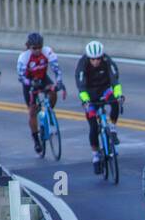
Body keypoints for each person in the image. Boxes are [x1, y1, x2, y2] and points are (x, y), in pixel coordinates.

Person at [75, 39, 123, 171]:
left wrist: (119, 95)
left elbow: (115, 81)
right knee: (93, 127)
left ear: (102, 56)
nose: (96, 61)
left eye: (98, 59)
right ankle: (95, 155)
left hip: (104, 88)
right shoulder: (82, 63)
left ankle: (112, 129)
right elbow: (81, 86)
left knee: (114, 102)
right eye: (93, 59)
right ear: (88, 58)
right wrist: (85, 100)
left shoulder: (107, 61)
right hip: (89, 93)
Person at [18, 32, 66, 153]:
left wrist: (59, 82)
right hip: (29, 82)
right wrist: (30, 84)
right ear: (29, 47)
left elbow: (57, 69)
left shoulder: (47, 51)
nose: (38, 50)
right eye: (35, 48)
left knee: (53, 92)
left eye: (40, 47)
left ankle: (49, 112)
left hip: (43, 78)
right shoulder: (24, 57)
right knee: (32, 111)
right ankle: (36, 140)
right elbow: (21, 77)